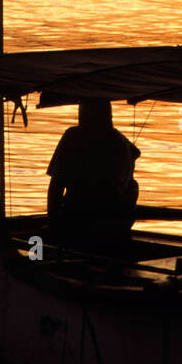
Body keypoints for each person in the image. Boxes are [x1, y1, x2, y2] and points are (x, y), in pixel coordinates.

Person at [46, 98, 140, 252]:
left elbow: (56, 187)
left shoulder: (74, 136)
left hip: (80, 223)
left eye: (83, 114)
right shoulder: (121, 143)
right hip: (112, 228)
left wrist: (53, 226)